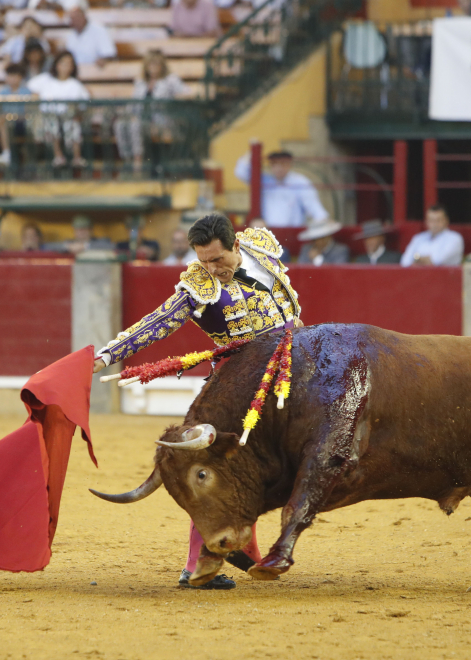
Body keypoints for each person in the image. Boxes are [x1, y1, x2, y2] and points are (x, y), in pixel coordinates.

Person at [92, 214, 304, 590]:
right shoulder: (198, 286)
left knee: (263, 468)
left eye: (217, 259)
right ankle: (198, 564)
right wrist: (107, 356)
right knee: (217, 468)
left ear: (235, 245)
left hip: (292, 377)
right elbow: (157, 323)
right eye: (203, 261)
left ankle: (244, 548)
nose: (211, 269)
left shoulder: (261, 248)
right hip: (238, 389)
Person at [115, 50, 190, 173]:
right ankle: (127, 160)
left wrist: (174, 100)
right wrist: (130, 114)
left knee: (135, 125)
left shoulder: (170, 80)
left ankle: (138, 164)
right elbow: (133, 103)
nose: (153, 67)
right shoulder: (140, 82)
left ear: (162, 65)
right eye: (150, 64)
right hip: (142, 120)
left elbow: (187, 93)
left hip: (162, 121)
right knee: (120, 124)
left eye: (156, 64)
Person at [235, 149, 329, 228]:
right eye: (275, 163)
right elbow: (241, 172)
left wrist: (323, 222)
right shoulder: (265, 181)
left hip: (292, 235)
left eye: (283, 163)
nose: (279, 167)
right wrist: (252, 152)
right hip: (269, 234)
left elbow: (315, 209)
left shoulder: (300, 182)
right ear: (271, 165)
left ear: (290, 164)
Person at [30, 51, 90, 168]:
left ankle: (77, 158)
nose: (65, 67)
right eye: (63, 63)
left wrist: (77, 113)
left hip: (69, 117)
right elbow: (31, 87)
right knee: (51, 124)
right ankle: (58, 157)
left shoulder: (75, 85)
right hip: (48, 117)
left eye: (69, 64)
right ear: (56, 64)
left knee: (73, 125)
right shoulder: (46, 79)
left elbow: (83, 104)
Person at [400, 204, 464, 267]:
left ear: (446, 220)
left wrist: (417, 258)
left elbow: (438, 261)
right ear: (426, 221)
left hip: (444, 273)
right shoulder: (418, 238)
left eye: (438, 220)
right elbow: (405, 262)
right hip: (417, 273)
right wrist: (424, 260)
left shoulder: (454, 238)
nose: (434, 224)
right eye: (431, 220)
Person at [0, 63, 30, 169]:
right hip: (5, 123)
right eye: (9, 76)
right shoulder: (2, 92)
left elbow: (28, 112)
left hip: (22, 123)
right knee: (1, 122)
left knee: (3, 121)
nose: (12, 79)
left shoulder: (26, 92)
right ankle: (6, 153)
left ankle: (8, 154)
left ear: (20, 77)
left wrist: (12, 116)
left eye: (15, 76)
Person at [45, 215, 112, 255]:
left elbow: (111, 246)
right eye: (78, 229)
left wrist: (85, 246)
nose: (81, 232)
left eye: (84, 228)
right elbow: (46, 247)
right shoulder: (69, 242)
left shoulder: (100, 242)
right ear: (74, 230)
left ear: (91, 230)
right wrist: (68, 247)